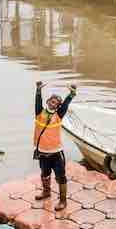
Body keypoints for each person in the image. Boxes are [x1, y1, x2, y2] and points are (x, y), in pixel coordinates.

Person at [34, 81, 77, 210]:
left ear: (58, 106)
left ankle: (63, 201)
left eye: (56, 103)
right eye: (52, 101)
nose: (53, 104)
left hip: (56, 152)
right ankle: (46, 192)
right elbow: (37, 101)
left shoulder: (59, 115)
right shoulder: (39, 112)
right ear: (48, 101)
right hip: (42, 151)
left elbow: (66, 104)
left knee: (61, 176)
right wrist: (38, 90)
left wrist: (71, 94)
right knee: (44, 173)